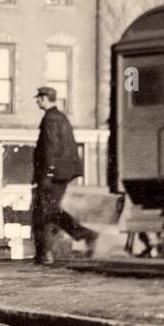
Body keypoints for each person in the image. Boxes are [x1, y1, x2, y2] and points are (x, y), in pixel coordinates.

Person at [31, 86, 96, 265]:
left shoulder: (50, 119)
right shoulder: (60, 117)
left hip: (52, 175)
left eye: (38, 98)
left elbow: (51, 147)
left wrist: (48, 173)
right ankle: (46, 252)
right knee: (49, 211)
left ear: (45, 98)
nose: (36, 100)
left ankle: (47, 253)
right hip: (60, 174)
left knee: (45, 212)